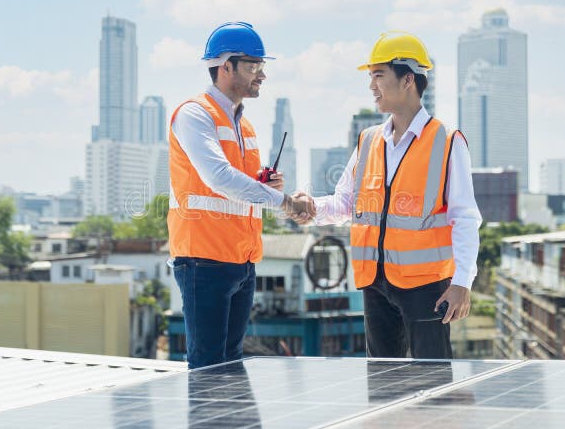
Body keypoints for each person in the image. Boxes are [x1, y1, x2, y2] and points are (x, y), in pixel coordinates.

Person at [293, 31, 482, 359]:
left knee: (433, 381)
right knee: (382, 383)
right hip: (375, 283)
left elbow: (464, 218)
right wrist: (312, 207)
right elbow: (347, 203)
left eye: (378, 75)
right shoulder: (368, 140)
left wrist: (462, 282)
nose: (371, 86)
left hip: (426, 287)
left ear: (408, 79)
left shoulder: (447, 141)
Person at [168, 21, 313, 369]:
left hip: (241, 261)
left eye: (262, 67)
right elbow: (219, 178)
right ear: (225, 66)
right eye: (253, 65)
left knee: (229, 365)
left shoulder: (243, 124)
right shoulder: (194, 114)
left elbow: (242, 188)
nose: (261, 75)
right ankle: (206, 428)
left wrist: (268, 185)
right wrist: (284, 202)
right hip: (204, 259)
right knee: (207, 367)